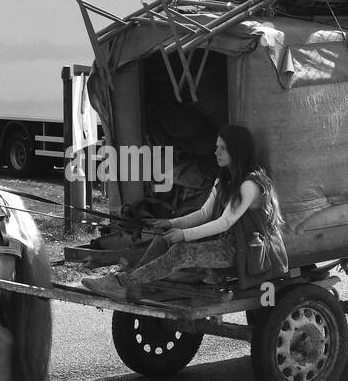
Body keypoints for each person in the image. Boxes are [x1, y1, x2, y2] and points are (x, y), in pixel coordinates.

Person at [82, 125, 286, 301]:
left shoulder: (249, 184)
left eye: (223, 148)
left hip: (243, 250)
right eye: (217, 147)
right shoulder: (224, 178)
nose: (216, 152)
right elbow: (204, 213)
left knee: (181, 251)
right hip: (225, 242)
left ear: (238, 151)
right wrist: (171, 224)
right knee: (163, 239)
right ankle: (127, 281)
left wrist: (184, 234)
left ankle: (123, 282)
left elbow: (225, 223)